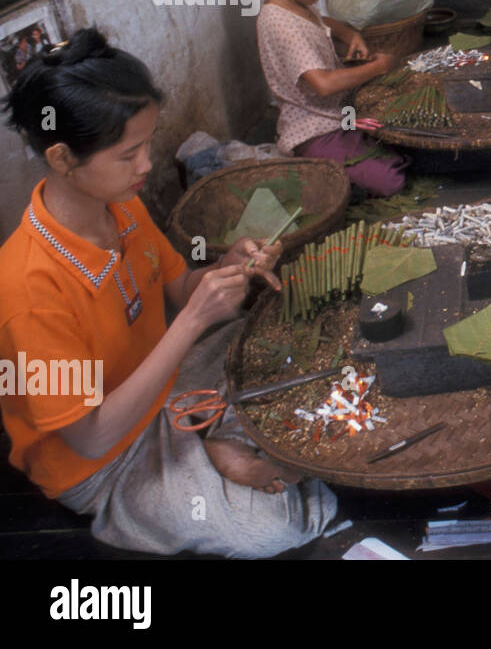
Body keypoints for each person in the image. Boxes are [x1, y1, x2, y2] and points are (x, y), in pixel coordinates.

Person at [0, 29, 336, 557]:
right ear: (63, 158)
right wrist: (190, 322)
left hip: (168, 382)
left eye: (147, 146)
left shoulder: (120, 203)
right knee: (274, 529)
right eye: (128, 154)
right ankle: (215, 440)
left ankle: (217, 437)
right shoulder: (27, 288)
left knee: (292, 334)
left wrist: (227, 269)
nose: (147, 167)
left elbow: (179, 285)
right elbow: (89, 438)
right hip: (107, 458)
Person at [256, 0, 407, 197]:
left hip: (335, 115)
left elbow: (324, 21)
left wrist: (350, 35)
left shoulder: (297, 4)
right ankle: (326, 182)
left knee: (399, 139)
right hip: (312, 131)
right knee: (391, 180)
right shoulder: (278, 21)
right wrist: (378, 67)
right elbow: (322, 84)